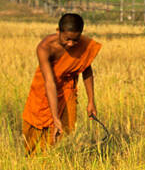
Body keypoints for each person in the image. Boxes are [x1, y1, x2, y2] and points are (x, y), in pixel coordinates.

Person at [21, 13, 101, 156]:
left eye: (75, 40)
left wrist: (91, 101)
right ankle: (32, 164)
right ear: (58, 31)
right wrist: (55, 117)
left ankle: (53, 161)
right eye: (67, 39)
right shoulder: (45, 48)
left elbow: (86, 70)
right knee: (34, 132)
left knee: (64, 132)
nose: (71, 44)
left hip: (67, 90)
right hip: (43, 91)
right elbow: (49, 83)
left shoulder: (83, 44)